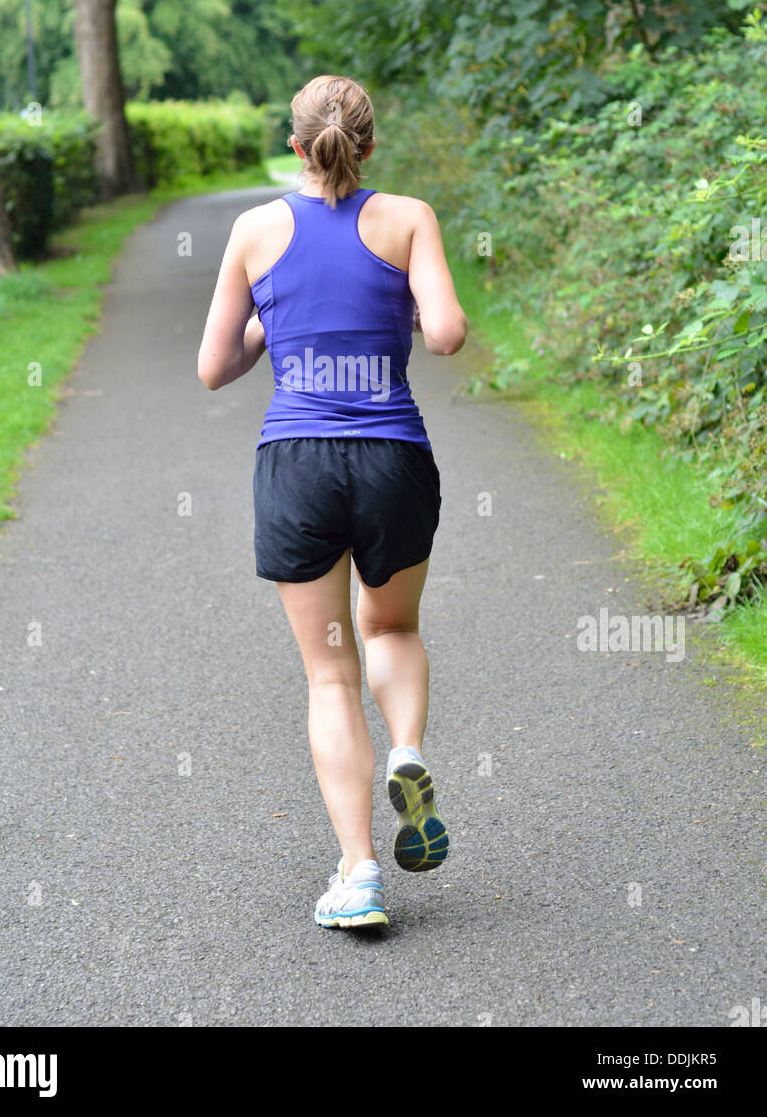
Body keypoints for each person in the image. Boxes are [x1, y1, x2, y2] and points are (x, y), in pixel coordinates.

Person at [198, 74, 467, 930]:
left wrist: (272, 321)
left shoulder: (253, 230)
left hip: (297, 463)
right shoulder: (409, 216)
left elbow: (214, 366)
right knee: (391, 627)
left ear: (295, 146)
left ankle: (357, 876)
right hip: (393, 458)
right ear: (369, 143)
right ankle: (411, 752)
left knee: (328, 672)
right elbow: (449, 332)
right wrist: (401, 305)